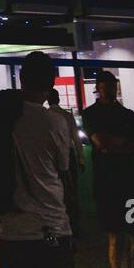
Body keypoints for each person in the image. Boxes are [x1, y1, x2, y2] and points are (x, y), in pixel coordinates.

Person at [0, 52, 81, 268]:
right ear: (51, 82)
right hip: (52, 227)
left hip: (12, 229)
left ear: (21, 79)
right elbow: (63, 170)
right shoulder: (53, 122)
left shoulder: (0, 118)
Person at [82, 70, 134, 268]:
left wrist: (115, 145)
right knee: (116, 237)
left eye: (111, 84)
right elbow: (101, 142)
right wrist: (124, 145)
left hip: (131, 183)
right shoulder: (91, 114)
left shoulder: (127, 115)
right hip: (109, 184)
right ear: (98, 87)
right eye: (104, 84)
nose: (109, 88)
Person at [48, 88, 84, 238]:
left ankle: (57, 221)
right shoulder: (67, 116)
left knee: (55, 188)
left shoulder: (47, 116)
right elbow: (76, 139)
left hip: (52, 155)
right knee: (71, 188)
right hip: (68, 154)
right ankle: (74, 222)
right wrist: (81, 158)